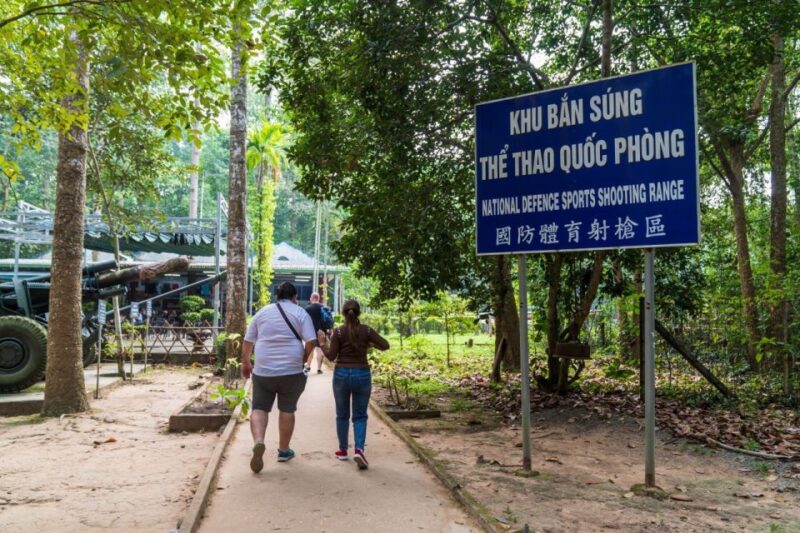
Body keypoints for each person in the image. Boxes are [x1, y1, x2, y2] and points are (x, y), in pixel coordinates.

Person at [241, 282, 316, 473]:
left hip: (264, 368)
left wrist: (246, 363)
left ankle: (259, 441)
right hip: (291, 369)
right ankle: (283, 450)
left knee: (259, 408)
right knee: (287, 409)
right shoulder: (300, 313)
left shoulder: (262, 312)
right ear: (294, 297)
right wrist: (304, 359)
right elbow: (311, 341)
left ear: (277, 296)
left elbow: (248, 341)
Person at [317, 299, 389, 469]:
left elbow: (332, 356)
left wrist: (322, 343)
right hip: (362, 374)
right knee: (360, 415)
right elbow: (385, 345)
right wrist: (368, 344)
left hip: (342, 374)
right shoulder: (367, 330)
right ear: (359, 313)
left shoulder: (339, 332)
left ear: (343, 313)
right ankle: (359, 450)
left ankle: (343, 450)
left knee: (342, 414)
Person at [304, 292, 332, 374]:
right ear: (318, 298)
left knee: (310, 350)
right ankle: (319, 369)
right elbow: (329, 321)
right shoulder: (324, 307)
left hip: (310, 332)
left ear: (311, 298)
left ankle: (308, 366)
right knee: (320, 350)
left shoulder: (307, 308)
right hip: (321, 332)